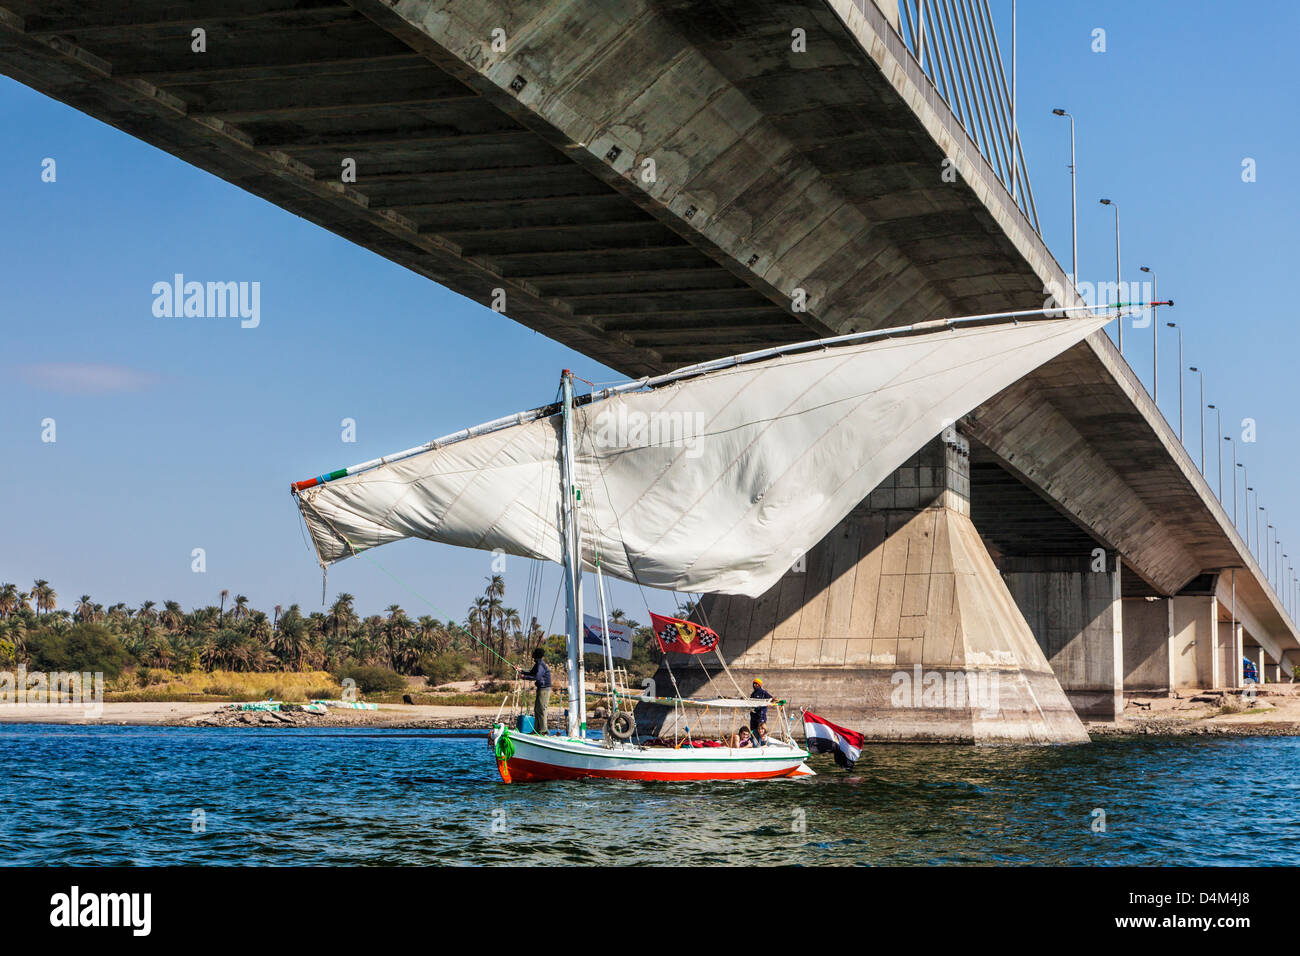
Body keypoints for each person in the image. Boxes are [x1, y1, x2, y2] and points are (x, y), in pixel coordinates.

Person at [516, 648, 551, 735]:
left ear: (536, 655)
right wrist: (521, 671)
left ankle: (543, 731)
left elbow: (537, 677)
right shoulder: (538, 664)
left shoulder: (540, 665)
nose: (532, 654)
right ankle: (536, 730)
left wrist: (523, 677)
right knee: (537, 709)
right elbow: (531, 673)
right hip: (541, 689)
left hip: (544, 690)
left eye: (533, 653)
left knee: (541, 709)